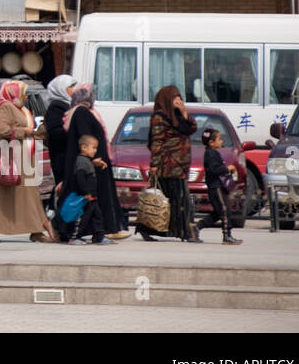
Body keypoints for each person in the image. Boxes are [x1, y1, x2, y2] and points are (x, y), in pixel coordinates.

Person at [0, 79, 53, 243]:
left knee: (29, 195)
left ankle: (36, 230)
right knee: (3, 196)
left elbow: (27, 131)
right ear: (13, 93)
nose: (25, 96)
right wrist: (24, 131)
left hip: (24, 157)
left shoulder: (21, 109)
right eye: (23, 93)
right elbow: (2, 130)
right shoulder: (5, 107)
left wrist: (37, 132)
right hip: (11, 158)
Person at [62, 84, 131, 240]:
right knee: (88, 201)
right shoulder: (80, 112)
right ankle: (81, 233)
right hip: (90, 165)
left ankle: (102, 232)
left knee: (96, 202)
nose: (93, 96)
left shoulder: (87, 112)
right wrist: (93, 158)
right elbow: (85, 137)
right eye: (90, 94)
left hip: (96, 163)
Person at [137, 85, 198, 242]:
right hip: (168, 165)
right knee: (170, 199)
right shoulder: (160, 117)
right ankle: (185, 233)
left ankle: (180, 232)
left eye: (180, 97)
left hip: (180, 166)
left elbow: (191, 128)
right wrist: (154, 164)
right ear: (166, 99)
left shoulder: (177, 115)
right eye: (175, 97)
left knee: (172, 200)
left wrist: (184, 112)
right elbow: (157, 141)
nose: (178, 100)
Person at [41, 74, 75, 240]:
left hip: (66, 153)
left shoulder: (66, 105)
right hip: (61, 155)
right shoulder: (57, 107)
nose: (73, 90)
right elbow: (55, 131)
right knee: (63, 187)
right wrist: (73, 132)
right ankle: (57, 224)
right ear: (61, 89)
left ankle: (59, 223)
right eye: (70, 87)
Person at [195, 128, 242, 245]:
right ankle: (227, 236)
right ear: (211, 142)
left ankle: (196, 227)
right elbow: (213, 169)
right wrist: (227, 168)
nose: (221, 141)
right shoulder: (210, 154)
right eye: (219, 139)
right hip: (215, 187)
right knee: (225, 210)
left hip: (218, 186)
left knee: (217, 213)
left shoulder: (213, 153)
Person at [67, 135, 107, 244]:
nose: (96, 150)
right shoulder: (81, 161)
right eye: (93, 148)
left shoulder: (87, 161)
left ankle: (99, 236)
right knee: (82, 218)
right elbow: (80, 179)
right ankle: (75, 237)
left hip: (92, 197)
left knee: (97, 217)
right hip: (85, 197)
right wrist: (86, 192)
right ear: (84, 147)